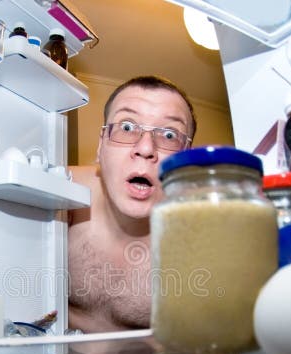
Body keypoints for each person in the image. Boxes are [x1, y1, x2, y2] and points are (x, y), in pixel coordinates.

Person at [68, 75, 197, 333]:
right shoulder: (64, 192)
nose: (146, 148)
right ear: (100, 146)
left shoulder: (199, 236)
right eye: (127, 127)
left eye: (170, 135)